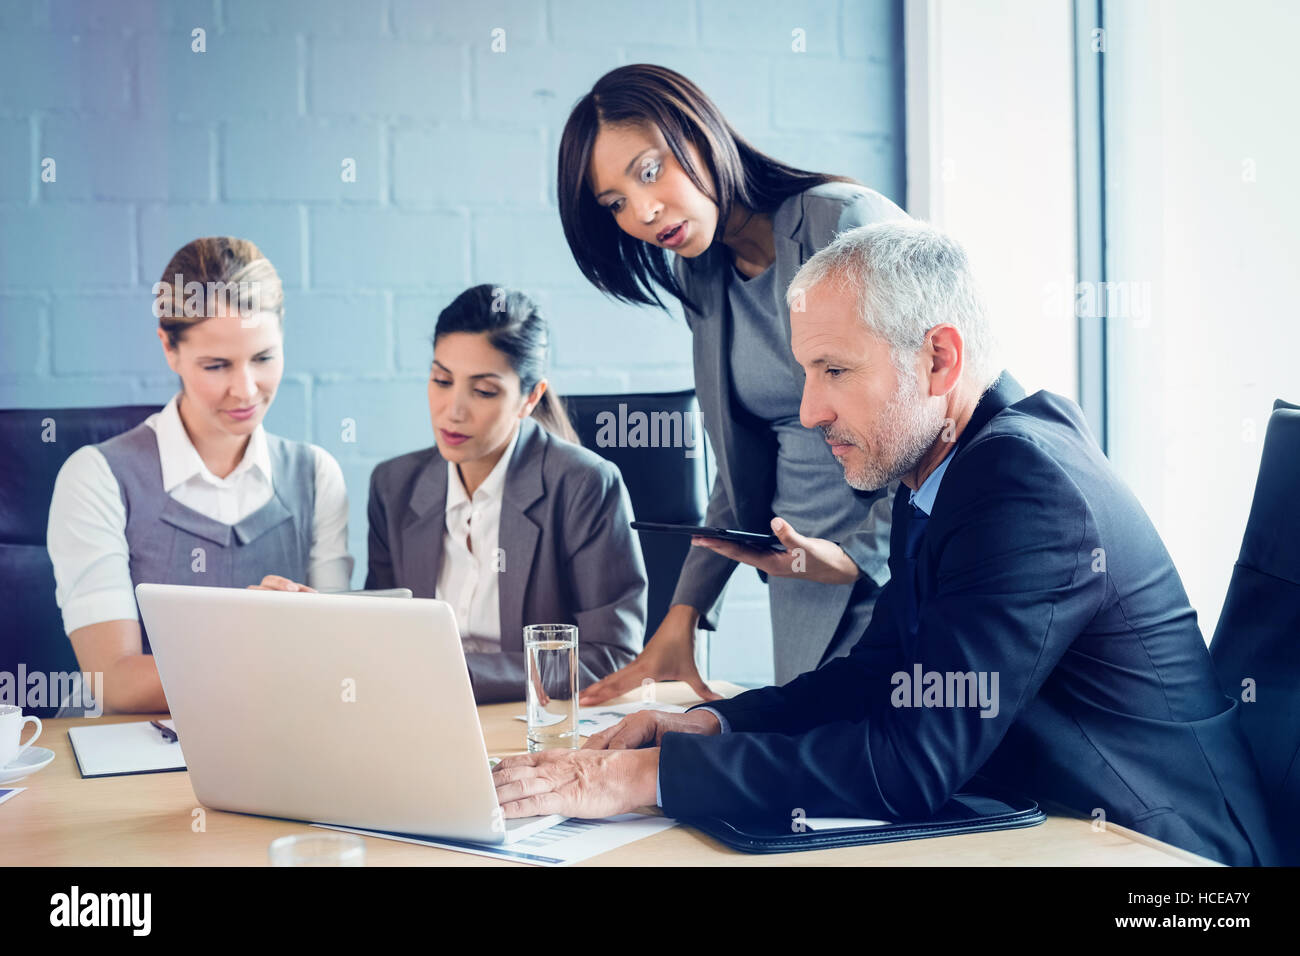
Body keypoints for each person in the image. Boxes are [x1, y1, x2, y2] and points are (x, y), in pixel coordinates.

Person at [492, 221, 1282, 867]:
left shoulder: (1025, 487)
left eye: (835, 370)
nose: (808, 411)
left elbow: (913, 762)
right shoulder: (942, 467)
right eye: (807, 372)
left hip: (1170, 864)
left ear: (939, 359)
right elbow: (882, 679)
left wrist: (643, 778)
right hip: (1057, 830)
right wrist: (709, 725)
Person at [556, 64, 909, 704]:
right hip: (800, 581)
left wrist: (859, 557)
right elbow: (740, 472)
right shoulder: (704, 274)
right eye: (614, 203)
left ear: (699, 132)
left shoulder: (842, 222)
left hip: (896, 575)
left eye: (648, 170)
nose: (642, 211)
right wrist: (682, 615)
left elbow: (942, 416)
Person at [47, 237, 352, 715]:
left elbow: (339, 662)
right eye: (217, 365)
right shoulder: (98, 477)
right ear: (169, 348)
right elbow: (116, 683)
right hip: (128, 753)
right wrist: (259, 642)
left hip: (275, 743)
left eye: (264, 358)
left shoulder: (316, 476)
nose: (246, 389)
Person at [364, 285, 647, 703]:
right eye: (442, 380)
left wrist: (457, 674)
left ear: (530, 398)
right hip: (423, 717)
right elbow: (382, 634)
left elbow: (611, 657)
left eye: (483, 391)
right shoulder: (394, 485)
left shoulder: (584, 485)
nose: (453, 410)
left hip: (532, 727)